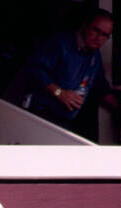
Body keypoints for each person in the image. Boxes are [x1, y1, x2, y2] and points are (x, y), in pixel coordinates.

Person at [22, 9, 116, 139]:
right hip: (40, 116)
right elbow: (34, 69)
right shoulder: (60, 43)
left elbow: (101, 86)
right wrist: (60, 93)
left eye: (105, 35)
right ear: (85, 25)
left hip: (64, 121)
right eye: (96, 30)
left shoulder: (94, 54)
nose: (99, 38)